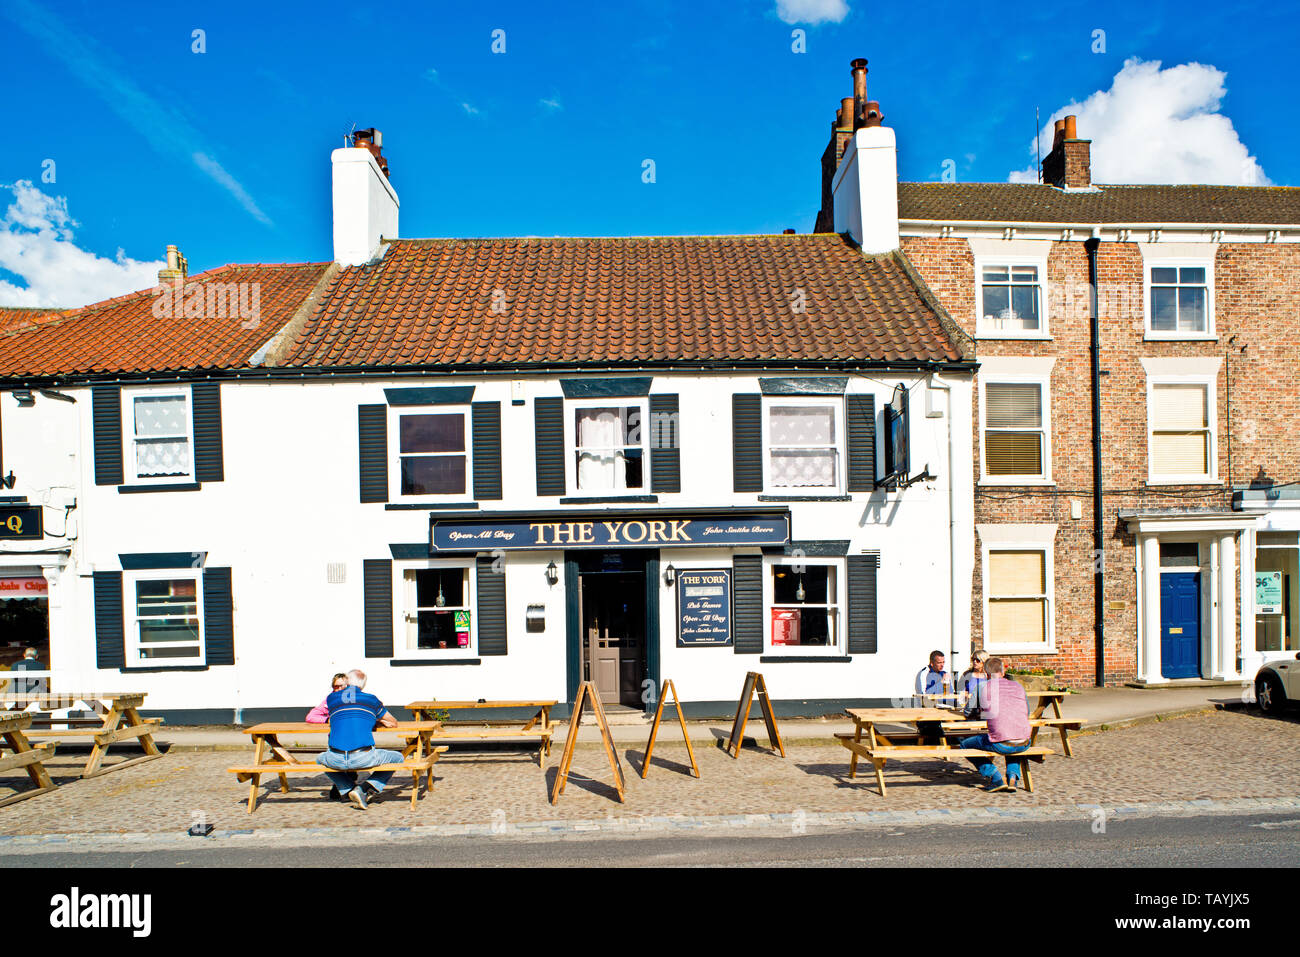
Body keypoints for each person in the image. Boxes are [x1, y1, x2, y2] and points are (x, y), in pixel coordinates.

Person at [316, 669, 402, 810]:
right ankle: (363, 789)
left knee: (320, 759)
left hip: (335, 757)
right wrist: (376, 720)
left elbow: (347, 714)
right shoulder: (371, 700)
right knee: (398, 758)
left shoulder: (332, 699)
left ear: (347, 681)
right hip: (363, 756)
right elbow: (393, 722)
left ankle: (348, 788)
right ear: (363, 685)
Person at [958, 657, 1032, 793]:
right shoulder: (1018, 686)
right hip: (1025, 740)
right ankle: (1012, 777)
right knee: (1013, 735)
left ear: (986, 674)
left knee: (964, 744)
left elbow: (968, 711)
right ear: (1003, 672)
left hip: (1000, 742)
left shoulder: (982, 687)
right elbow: (1027, 710)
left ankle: (995, 776)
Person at [957, 650, 989, 718]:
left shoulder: (989, 676)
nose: (974, 662)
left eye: (977, 660)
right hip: (969, 708)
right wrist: (963, 694)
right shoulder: (967, 674)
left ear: (984, 661)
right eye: (973, 659)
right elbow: (959, 690)